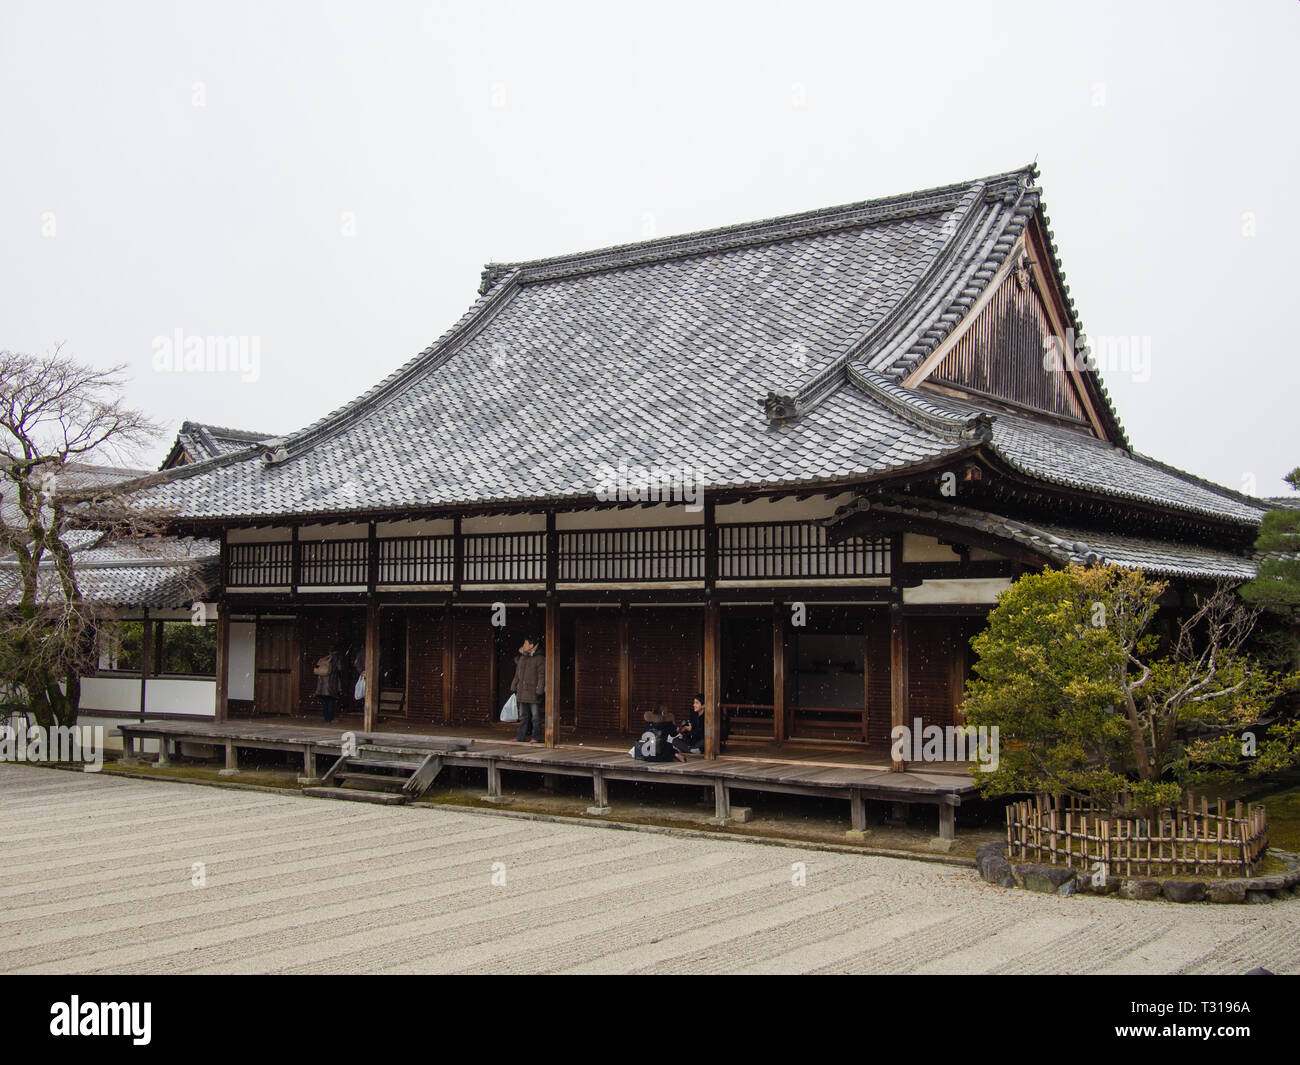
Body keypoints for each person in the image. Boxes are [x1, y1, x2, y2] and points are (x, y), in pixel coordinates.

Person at [510, 637, 545, 744]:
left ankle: (536, 737)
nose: (524, 645)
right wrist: (513, 686)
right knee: (523, 716)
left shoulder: (539, 659)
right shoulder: (522, 657)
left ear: (531, 645)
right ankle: (520, 737)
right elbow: (517, 674)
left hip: (533, 691)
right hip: (522, 691)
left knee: (535, 717)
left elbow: (541, 676)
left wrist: (539, 690)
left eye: (525, 644)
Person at [314, 648, 342, 723]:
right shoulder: (336, 659)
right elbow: (340, 668)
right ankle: (330, 719)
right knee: (330, 701)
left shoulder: (324, 659)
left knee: (325, 702)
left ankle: (326, 718)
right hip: (331, 684)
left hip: (322, 684)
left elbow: (317, 668)